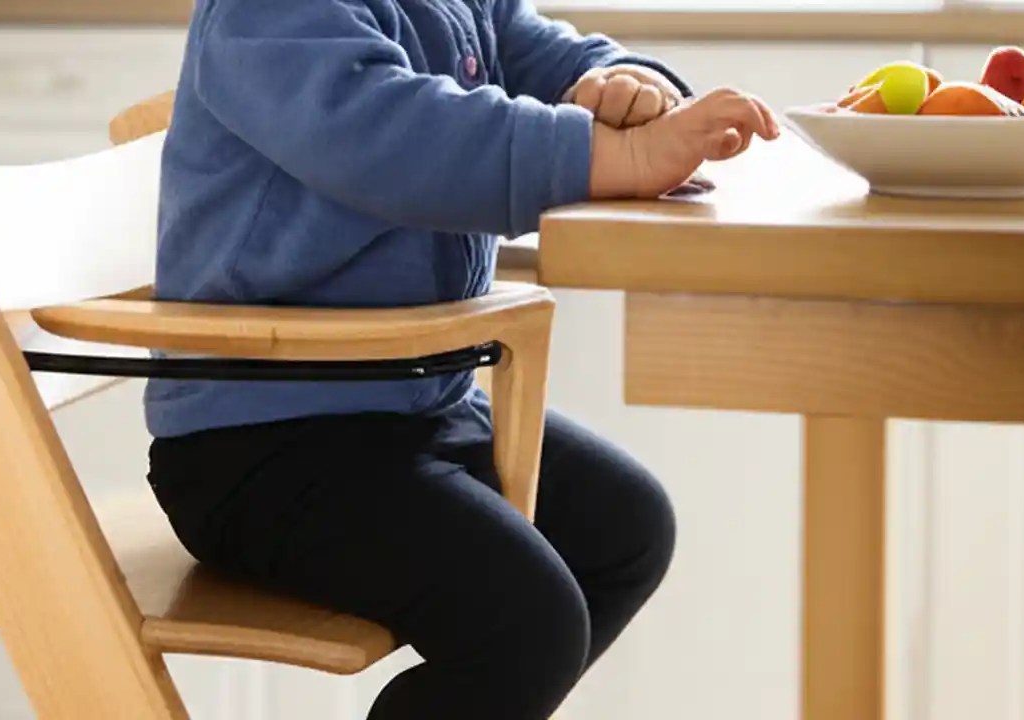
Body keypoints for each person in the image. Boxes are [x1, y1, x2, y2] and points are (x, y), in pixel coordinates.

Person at [145, 1, 779, 718]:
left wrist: (627, 83)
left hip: (419, 406)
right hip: (260, 445)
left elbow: (544, 53)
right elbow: (395, 135)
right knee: (523, 624)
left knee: (625, 530)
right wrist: (618, 156)